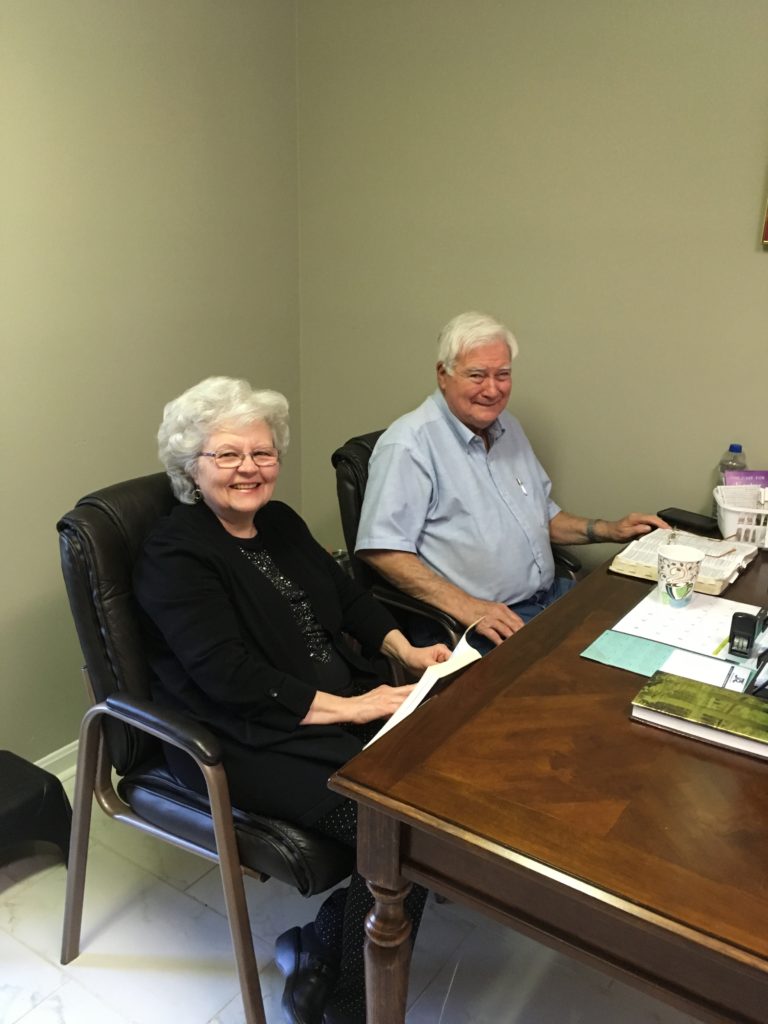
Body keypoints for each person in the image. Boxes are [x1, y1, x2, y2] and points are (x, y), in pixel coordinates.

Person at [133, 376, 450, 1024]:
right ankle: (346, 1003)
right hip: (248, 735)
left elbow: (351, 597)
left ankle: (320, 944)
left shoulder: (278, 521)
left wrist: (407, 651)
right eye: (227, 454)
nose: (250, 467)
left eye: (262, 452)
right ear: (191, 464)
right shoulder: (175, 555)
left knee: (442, 774)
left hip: (338, 697)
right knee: (390, 829)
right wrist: (356, 708)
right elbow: (231, 678)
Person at [356, 311, 669, 650]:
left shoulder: (508, 428)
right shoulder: (408, 444)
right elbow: (383, 550)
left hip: (549, 601)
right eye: (477, 375)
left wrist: (609, 530)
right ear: (442, 374)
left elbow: (542, 516)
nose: (492, 389)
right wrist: (469, 608)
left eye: (502, 374)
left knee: (644, 639)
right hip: (480, 627)